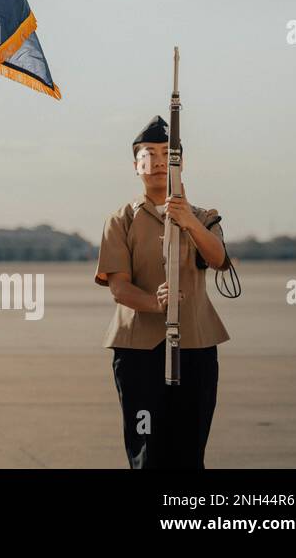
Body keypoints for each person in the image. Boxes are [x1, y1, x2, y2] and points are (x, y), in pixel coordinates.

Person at [95, 115, 236, 468]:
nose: (158, 162)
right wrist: (153, 304)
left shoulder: (204, 217)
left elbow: (219, 260)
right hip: (138, 352)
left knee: (189, 453)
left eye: (166, 154)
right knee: (146, 453)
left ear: (180, 162)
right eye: (148, 155)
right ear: (135, 165)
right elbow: (118, 286)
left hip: (195, 347)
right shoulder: (121, 220)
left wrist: (187, 220)